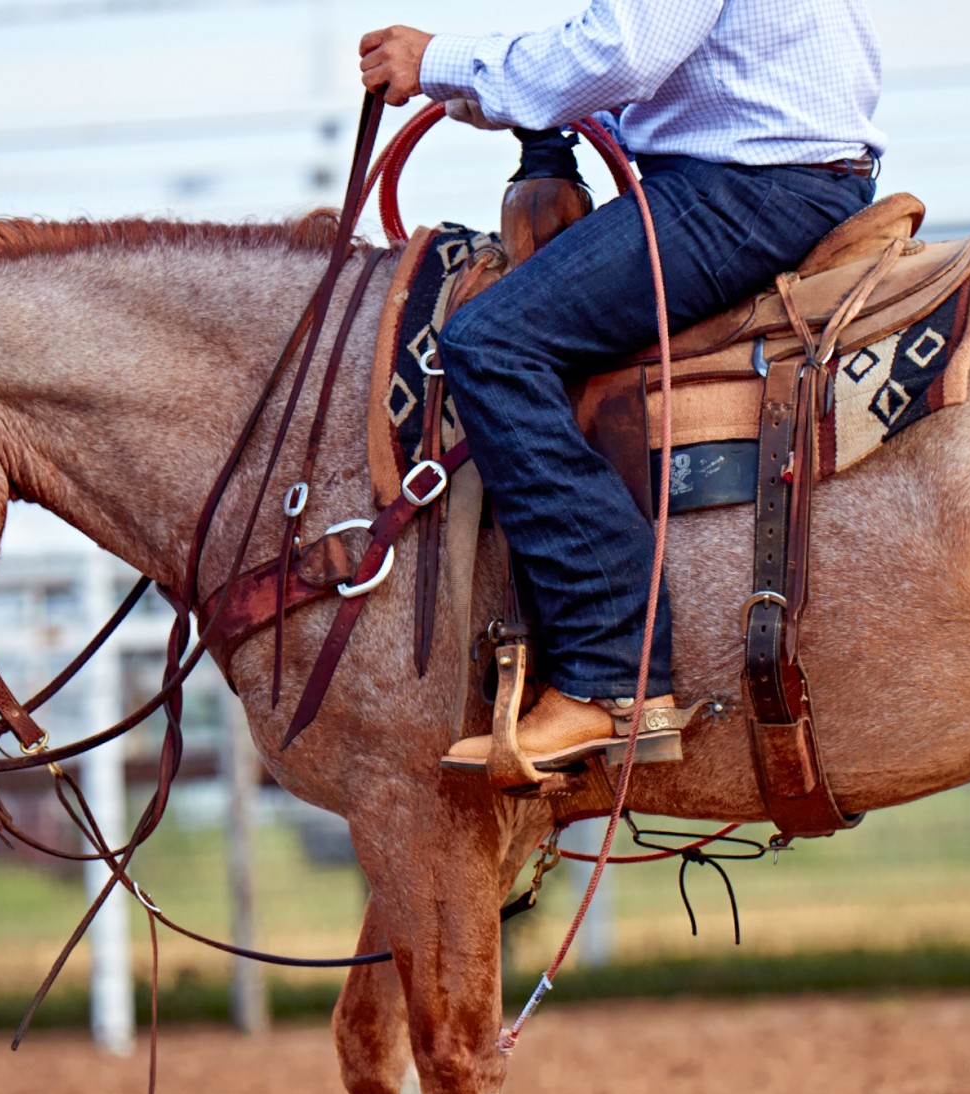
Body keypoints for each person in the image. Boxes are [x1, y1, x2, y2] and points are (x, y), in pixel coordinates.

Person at [358, 3, 885, 775]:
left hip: (743, 189)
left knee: (491, 343)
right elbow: (653, 65)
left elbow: (624, 51)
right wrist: (507, 89)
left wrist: (440, 59)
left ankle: (608, 677)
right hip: (772, 175)